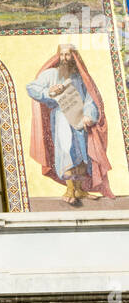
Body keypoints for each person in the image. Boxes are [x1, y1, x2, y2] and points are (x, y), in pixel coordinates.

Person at [27, 42, 112, 206]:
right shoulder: (51, 74)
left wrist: (89, 115)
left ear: (75, 57)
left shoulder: (80, 77)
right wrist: (49, 92)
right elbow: (32, 88)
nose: (65, 58)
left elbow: (91, 99)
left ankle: (80, 189)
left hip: (79, 118)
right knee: (66, 150)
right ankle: (69, 188)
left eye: (68, 55)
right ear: (58, 56)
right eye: (62, 55)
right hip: (61, 117)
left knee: (81, 153)